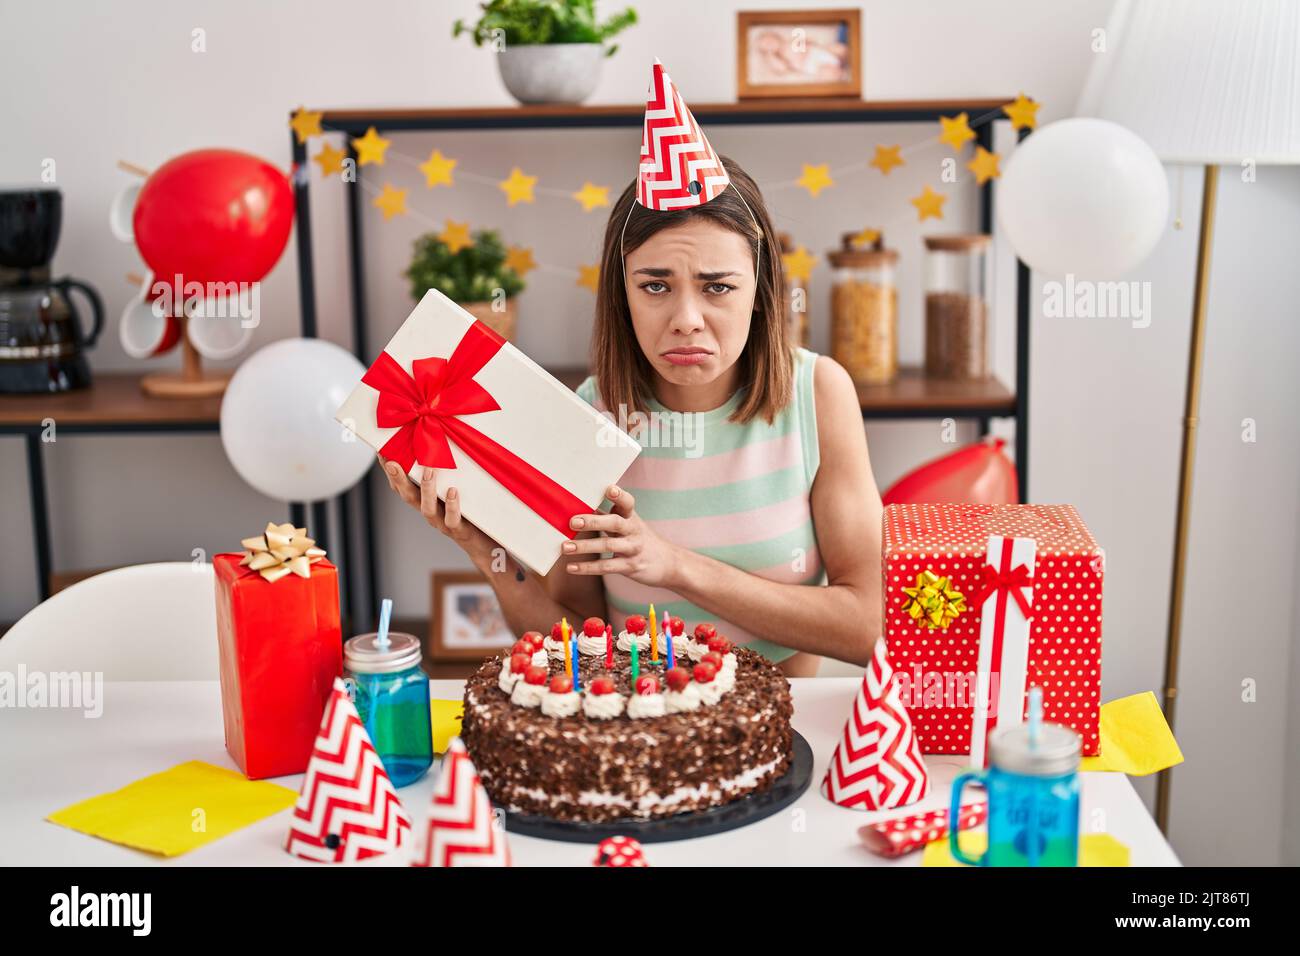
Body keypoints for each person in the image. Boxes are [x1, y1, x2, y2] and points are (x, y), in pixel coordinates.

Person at [380, 66, 883, 676]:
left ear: (761, 292)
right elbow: (569, 639)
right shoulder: (589, 415)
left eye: (718, 287)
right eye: (655, 286)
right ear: (623, 294)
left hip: (791, 733)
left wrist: (673, 565)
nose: (686, 319)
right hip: (640, 732)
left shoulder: (818, 393)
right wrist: (480, 545)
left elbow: (863, 627)